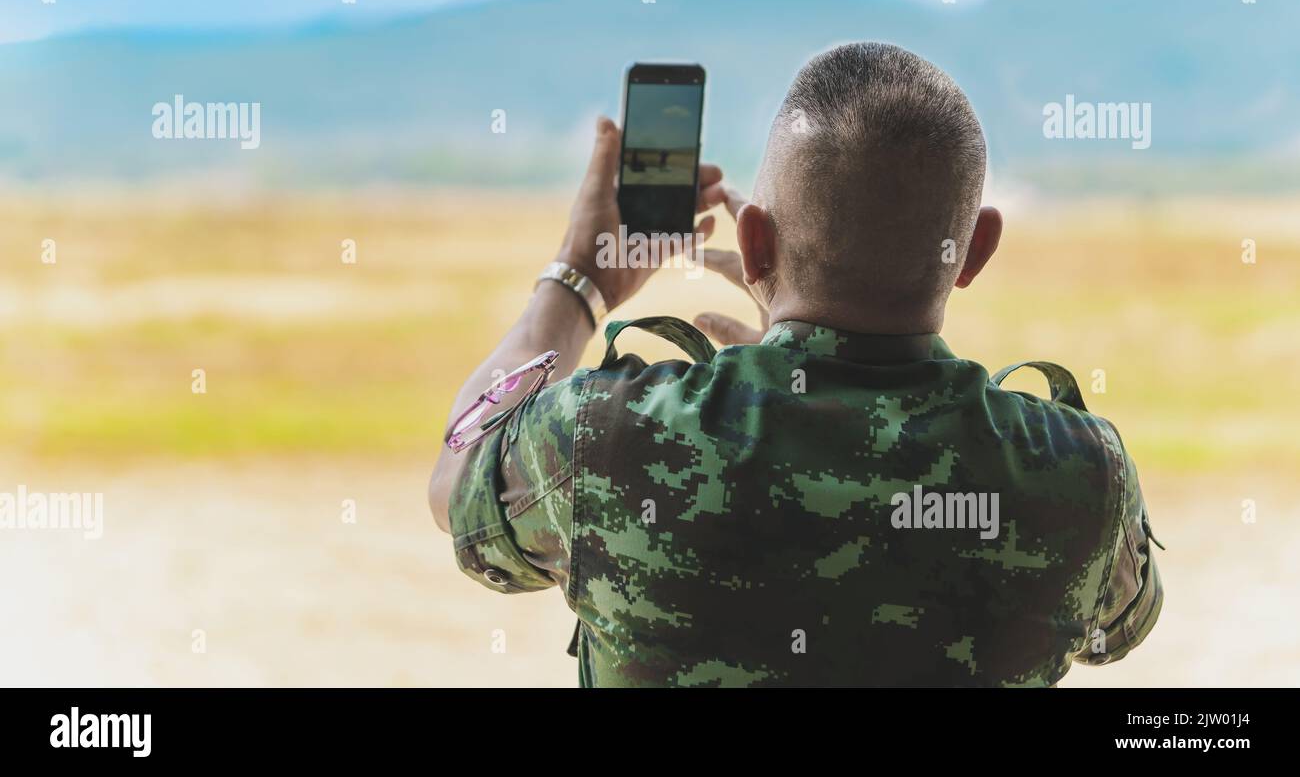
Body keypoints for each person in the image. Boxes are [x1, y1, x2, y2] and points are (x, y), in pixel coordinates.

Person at [428, 42, 1163, 687]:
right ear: (976, 250)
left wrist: (580, 279)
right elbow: (1124, 624)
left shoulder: (608, 439)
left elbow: (459, 474)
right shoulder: (1080, 476)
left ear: (752, 246)